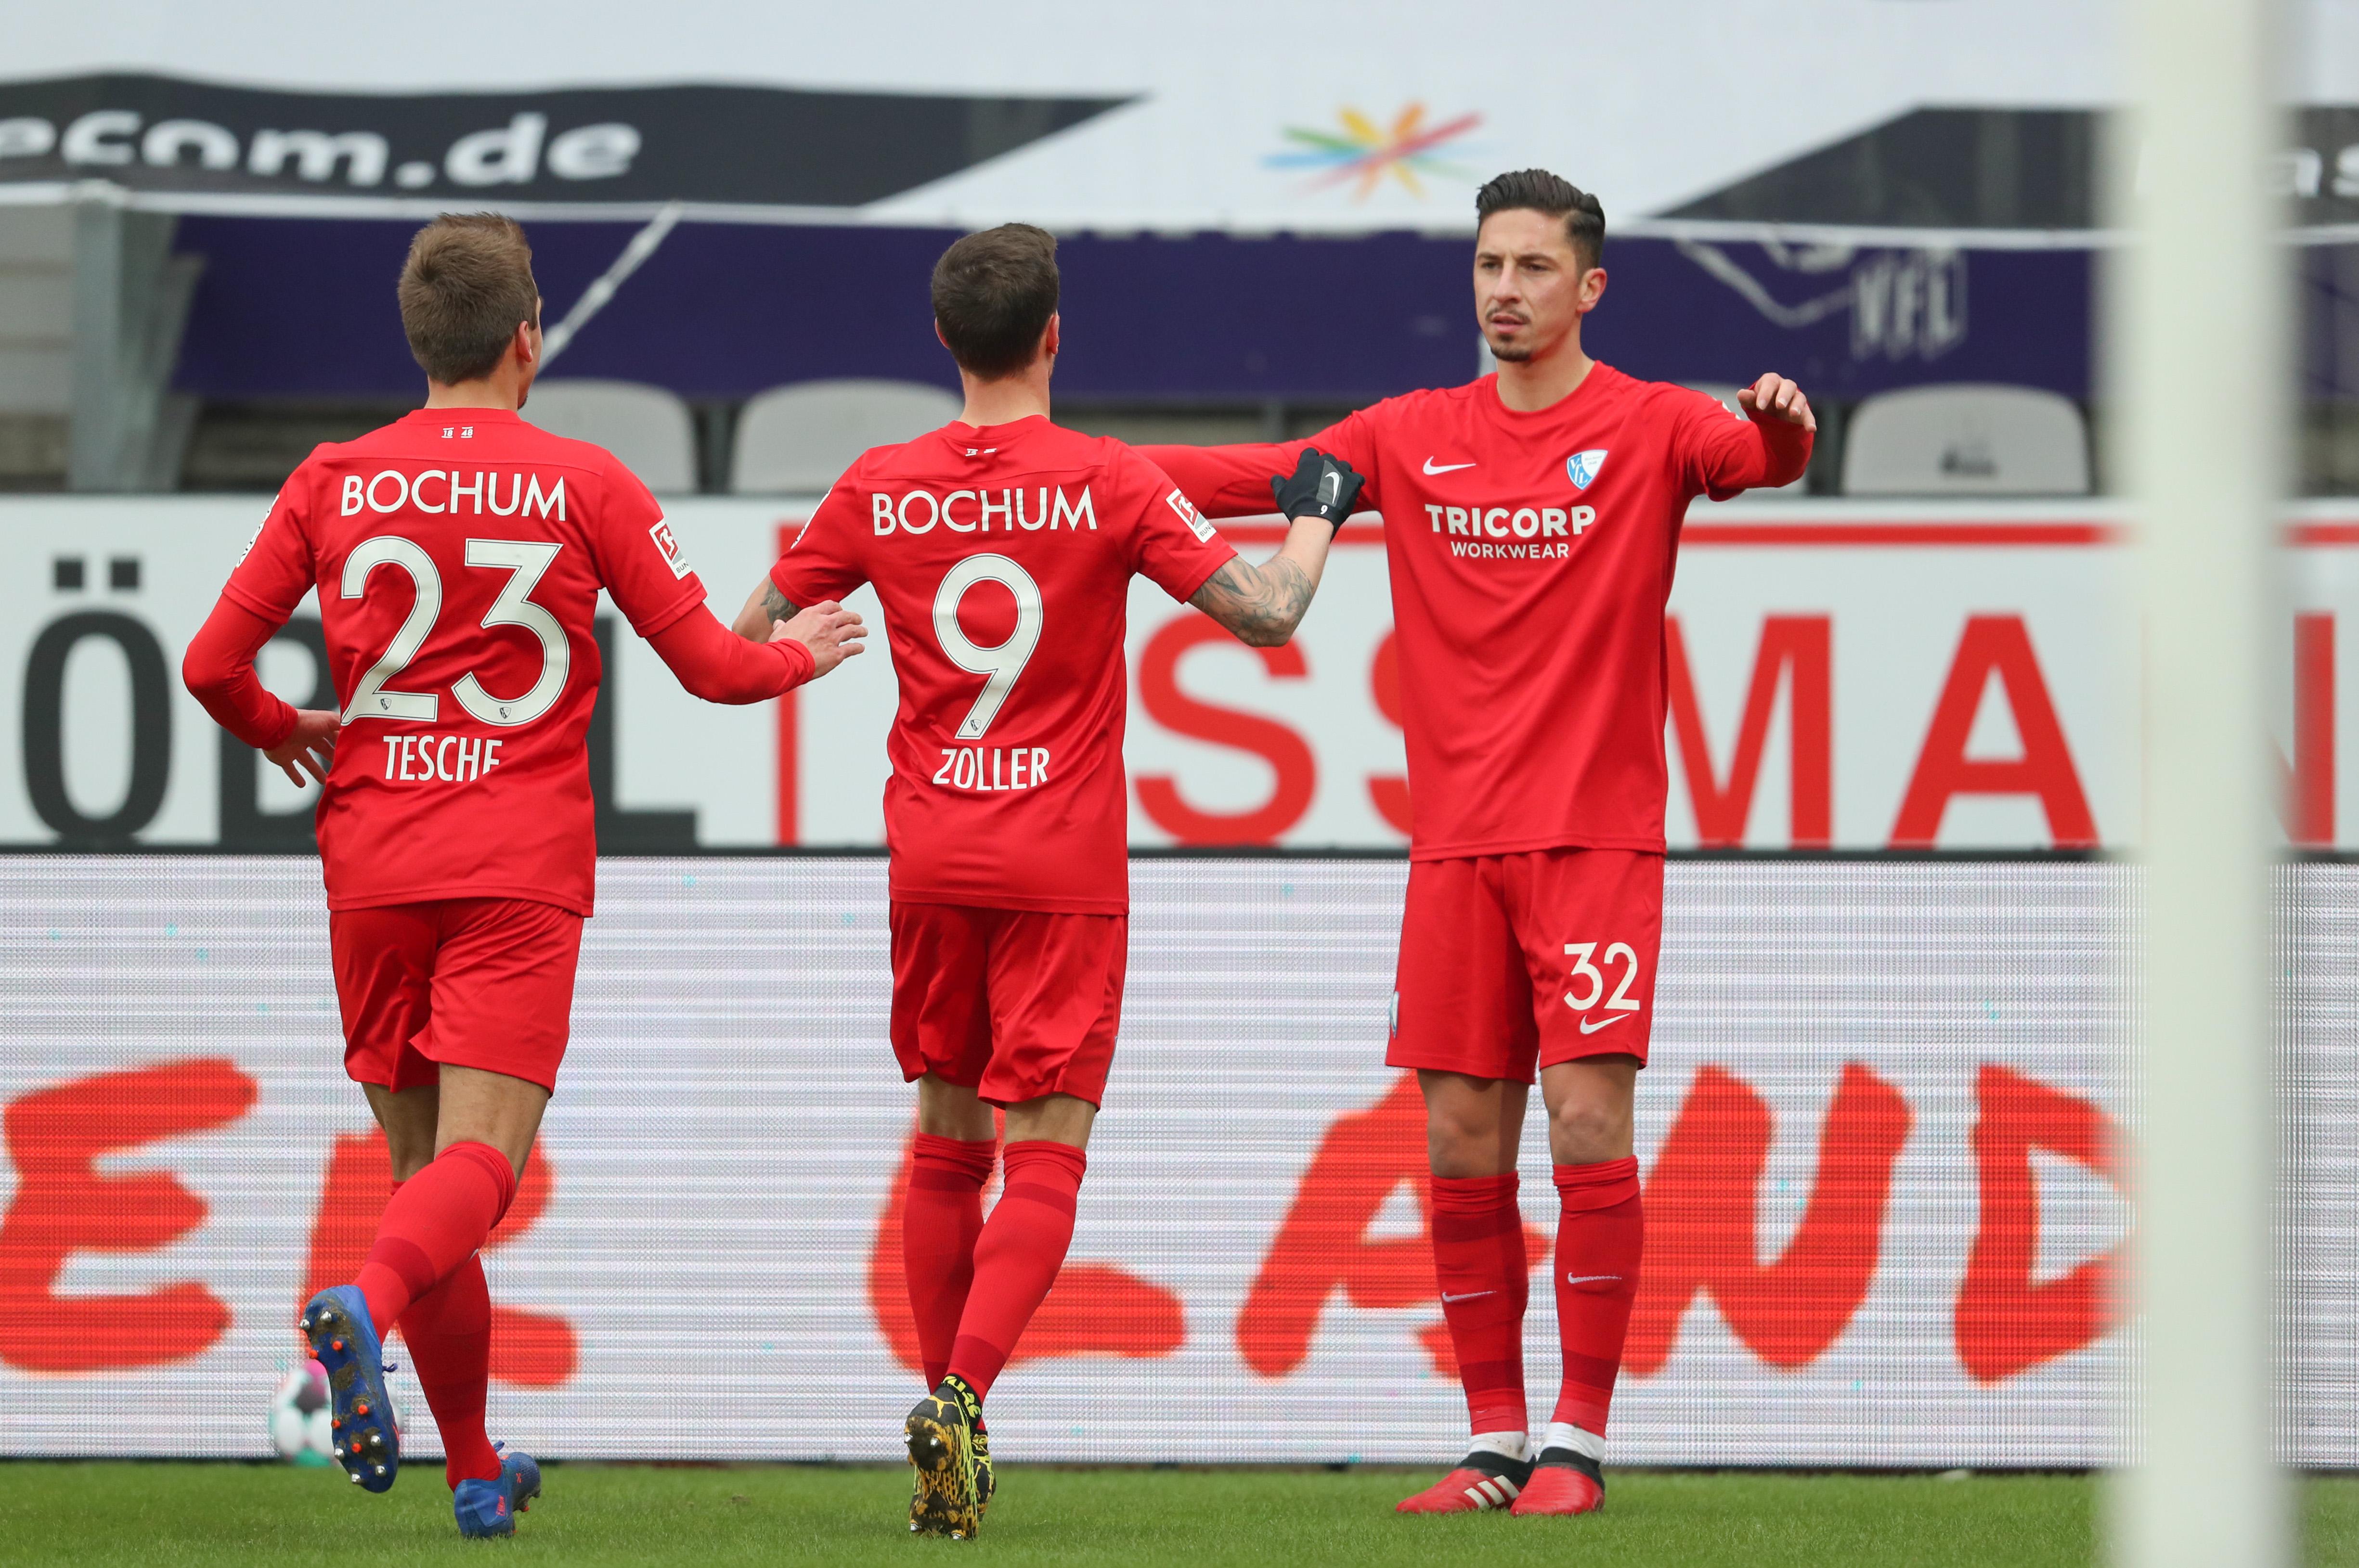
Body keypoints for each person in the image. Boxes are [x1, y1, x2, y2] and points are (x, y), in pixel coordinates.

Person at [1141, 169, 1815, 1517]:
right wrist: (1074, 475)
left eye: (1530, 268)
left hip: (1593, 840)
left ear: (1588, 288)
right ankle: (1491, 1438)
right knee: (1458, 1137)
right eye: (1488, 266)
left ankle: (1579, 1435)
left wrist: (1785, 428)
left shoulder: (1647, 423)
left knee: (1583, 1116)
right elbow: (1245, 477)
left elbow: (1751, 462)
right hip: (1451, 849)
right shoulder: (1405, 434)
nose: (1504, 289)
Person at [181, 213, 865, 1539]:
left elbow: (212, 664)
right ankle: (358, 1318)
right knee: (479, 1171)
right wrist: (807, 651)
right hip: (513, 863)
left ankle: (475, 1468)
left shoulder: (334, 477)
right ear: (528, 337)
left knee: (425, 1183)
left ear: (418, 339)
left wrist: (288, 728)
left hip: (373, 861)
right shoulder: (583, 479)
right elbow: (716, 670)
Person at [731, 222, 1362, 1539]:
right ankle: (961, 1393)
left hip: (931, 854)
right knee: (1047, 1150)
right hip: (1058, 860)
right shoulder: (1106, 479)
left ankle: (938, 1430)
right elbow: (1265, 613)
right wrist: (1312, 521)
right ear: (1055, 336)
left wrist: (804, 644)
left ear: (944, 342)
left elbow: (738, 634)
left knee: (944, 1146)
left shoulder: (877, 483)